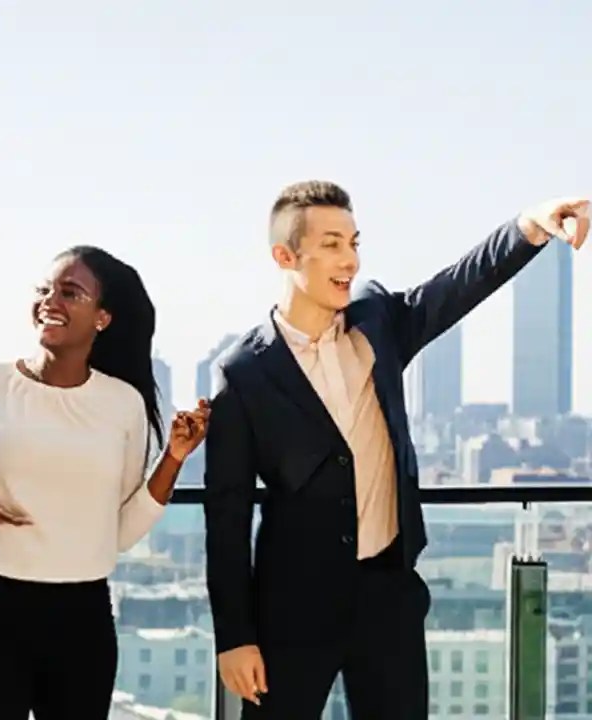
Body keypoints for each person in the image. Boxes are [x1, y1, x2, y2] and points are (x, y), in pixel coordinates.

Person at [205, 180, 588, 719]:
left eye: (355, 242)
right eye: (333, 244)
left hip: (389, 600)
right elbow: (227, 514)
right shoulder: (243, 370)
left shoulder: (378, 322)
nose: (351, 260)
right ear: (285, 255)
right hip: (291, 609)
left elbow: (458, 286)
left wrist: (529, 225)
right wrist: (234, 637)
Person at [0, 245, 210, 719]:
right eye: (44, 290)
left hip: (80, 621)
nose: (51, 300)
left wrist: (173, 459)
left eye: (70, 292)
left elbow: (122, 531)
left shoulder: (123, 404)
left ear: (102, 318)